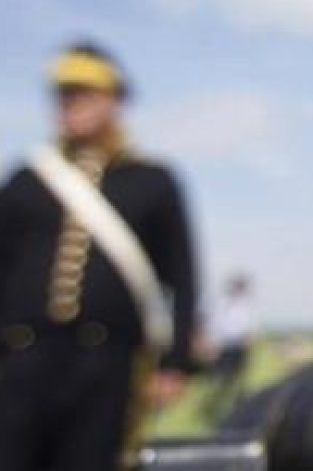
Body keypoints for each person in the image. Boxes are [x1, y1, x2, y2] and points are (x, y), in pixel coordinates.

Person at [0, 42, 199, 471]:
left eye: (84, 93)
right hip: (20, 357)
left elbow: (182, 275)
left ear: (113, 100)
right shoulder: (26, 180)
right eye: (64, 93)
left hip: (105, 361)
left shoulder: (152, 180)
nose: (71, 102)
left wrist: (175, 362)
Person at [203, 273, 256, 419]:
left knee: (237, 380)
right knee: (219, 379)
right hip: (224, 346)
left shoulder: (246, 305)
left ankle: (235, 409)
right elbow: (214, 325)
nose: (240, 289)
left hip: (240, 347)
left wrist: (250, 341)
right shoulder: (222, 303)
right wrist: (212, 345)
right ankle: (212, 408)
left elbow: (250, 326)